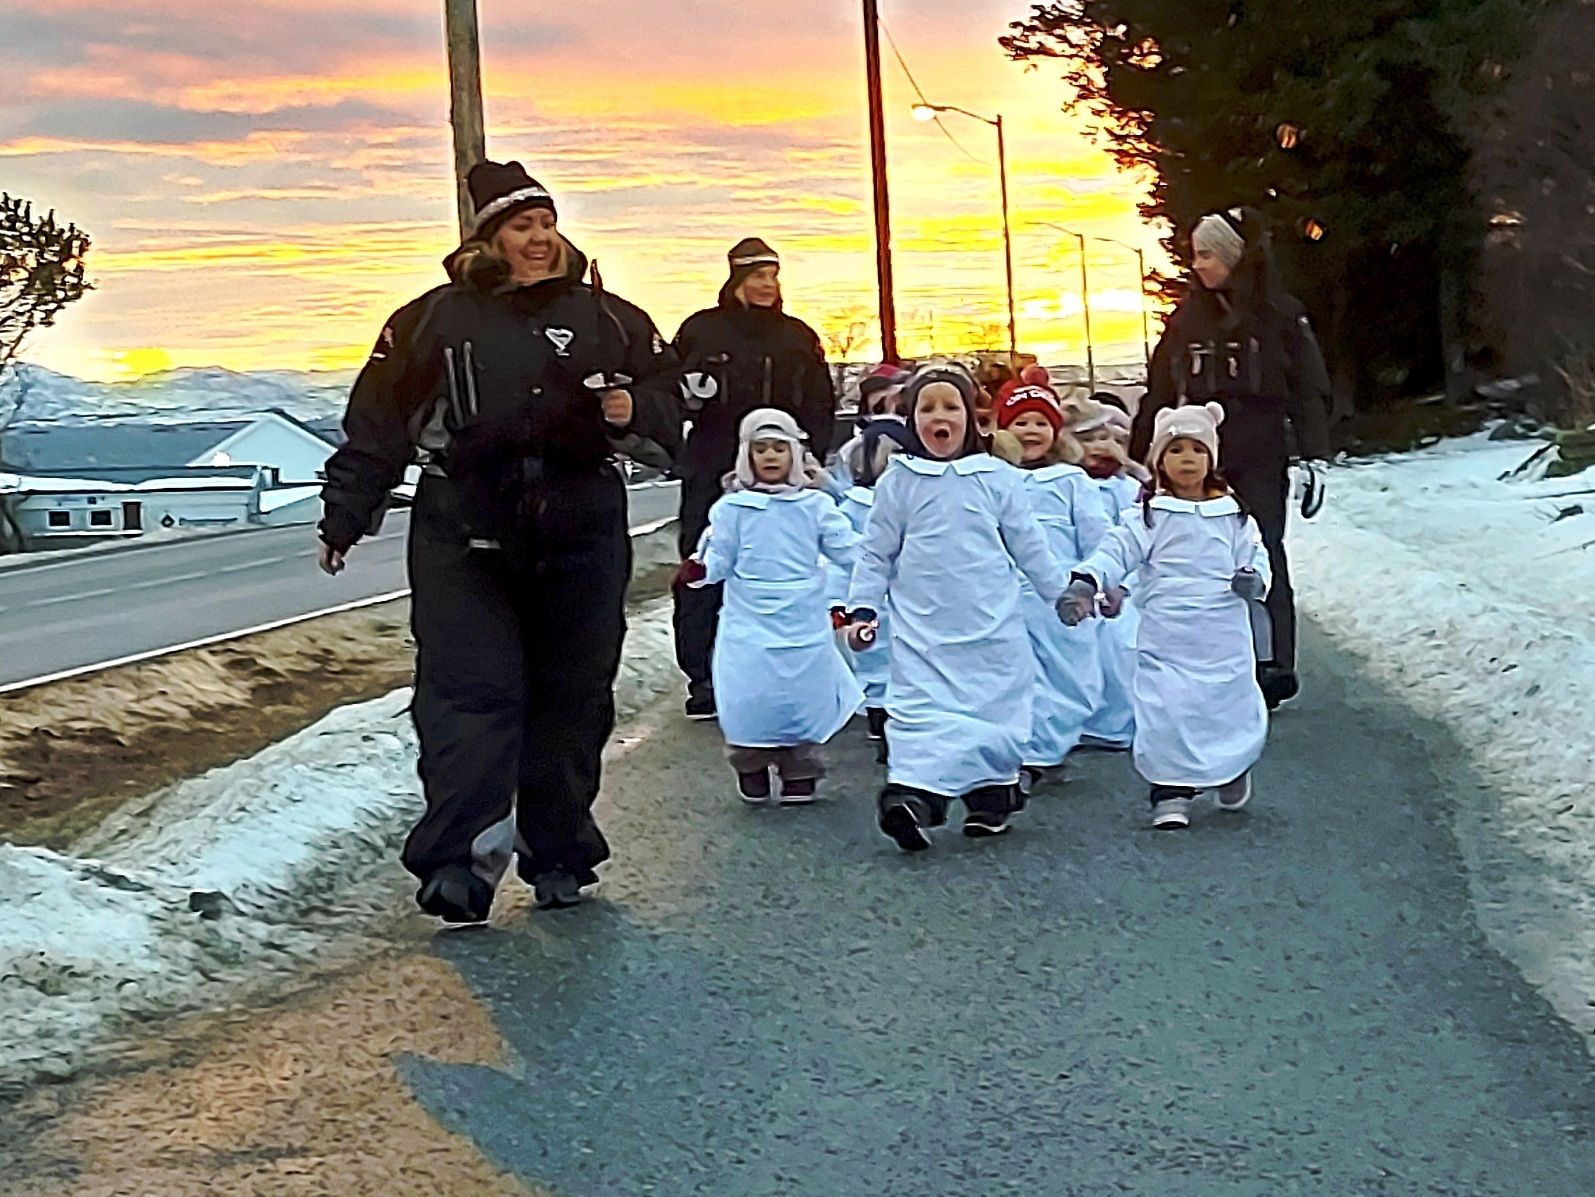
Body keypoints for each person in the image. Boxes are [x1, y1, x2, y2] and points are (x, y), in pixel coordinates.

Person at [318, 160, 681, 921]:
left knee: (571, 697)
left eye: (547, 224)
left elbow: (667, 398)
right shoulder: (431, 320)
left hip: (580, 527)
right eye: (523, 226)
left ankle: (559, 851)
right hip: (465, 530)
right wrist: (347, 512)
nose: (541, 239)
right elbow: (377, 420)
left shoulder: (608, 317)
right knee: (470, 696)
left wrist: (629, 410)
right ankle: (460, 862)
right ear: (489, 239)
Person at [845, 365, 1071, 851]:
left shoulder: (997, 478)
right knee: (923, 715)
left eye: (950, 407)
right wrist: (862, 609)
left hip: (990, 631)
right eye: (927, 408)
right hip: (924, 632)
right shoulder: (899, 481)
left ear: (971, 418)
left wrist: (1061, 594)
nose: (938, 417)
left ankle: (991, 798)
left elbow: (1029, 545)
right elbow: (875, 551)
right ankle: (914, 797)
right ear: (912, 419)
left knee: (992, 716)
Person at [1132, 207, 1331, 709]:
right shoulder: (1188, 317)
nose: (1197, 264)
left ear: (1230, 256)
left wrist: (1314, 455)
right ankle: (1212, 662)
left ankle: (1273, 663)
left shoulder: (1280, 314)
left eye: (1206, 254)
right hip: (1202, 453)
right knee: (1203, 558)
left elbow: (1307, 387)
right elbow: (1160, 385)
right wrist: (1139, 455)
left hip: (1263, 448)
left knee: (1263, 550)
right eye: (1194, 254)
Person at [1062, 403, 1271, 831]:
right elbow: (1116, 550)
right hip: (1167, 635)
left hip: (1222, 635)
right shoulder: (1148, 516)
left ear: (1212, 457)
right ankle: (1170, 791)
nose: (1188, 459)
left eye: (1197, 449)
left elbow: (1254, 554)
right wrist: (1089, 581)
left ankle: (1230, 767)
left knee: (1226, 706)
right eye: (1176, 450)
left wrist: (1253, 578)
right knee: (1166, 711)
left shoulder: (1233, 515)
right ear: (1159, 460)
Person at [671, 238, 837, 721]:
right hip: (711, 466)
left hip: (781, 472)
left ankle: (778, 670)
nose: (766, 285)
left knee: (777, 568)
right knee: (706, 563)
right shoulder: (702, 331)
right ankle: (703, 676)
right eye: (756, 276)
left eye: (772, 276)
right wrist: (691, 396)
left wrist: (809, 458)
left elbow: (819, 403)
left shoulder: (796, 338)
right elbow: (671, 392)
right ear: (736, 281)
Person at [681, 409, 862, 804]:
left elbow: (849, 550)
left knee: (802, 696)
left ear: (795, 454)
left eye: (780, 447)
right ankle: (750, 763)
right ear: (747, 455)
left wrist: (882, 562)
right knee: (750, 694)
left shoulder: (815, 507)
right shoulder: (731, 509)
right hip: (749, 620)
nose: (770, 456)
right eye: (760, 448)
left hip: (803, 619)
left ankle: (801, 768)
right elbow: (719, 556)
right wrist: (700, 570)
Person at [994, 381, 1111, 792]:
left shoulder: (1071, 480)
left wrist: (1100, 580)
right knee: (1015, 677)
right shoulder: (991, 477)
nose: (1030, 431)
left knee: (1067, 676)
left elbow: (1097, 535)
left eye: (1040, 422)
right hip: (1004, 594)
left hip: (1062, 594)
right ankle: (1026, 755)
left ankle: (1050, 746)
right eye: (1020, 422)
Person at [825, 414, 915, 758]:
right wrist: (837, 602)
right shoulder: (853, 505)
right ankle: (879, 716)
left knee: (907, 660)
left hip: (909, 597)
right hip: (867, 599)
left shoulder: (915, 502)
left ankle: (902, 725)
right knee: (873, 658)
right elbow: (840, 557)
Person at [1074, 401, 1145, 751]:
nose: (1101, 446)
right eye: (1090, 438)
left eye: (1107, 437)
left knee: (1119, 643)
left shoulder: (1125, 487)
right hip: (1075, 575)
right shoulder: (1068, 483)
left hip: (1118, 580)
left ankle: (1117, 720)